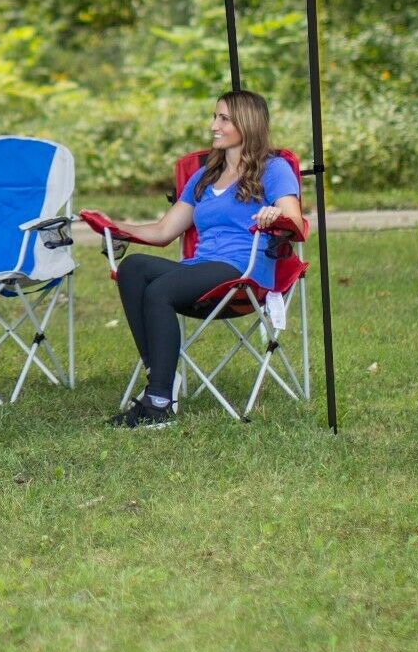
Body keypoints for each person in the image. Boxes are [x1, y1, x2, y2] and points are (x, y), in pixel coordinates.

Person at [97, 90, 302, 428]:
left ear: (246, 124)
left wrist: (273, 214)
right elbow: (164, 231)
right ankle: (161, 379)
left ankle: (158, 404)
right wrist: (114, 226)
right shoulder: (206, 175)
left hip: (242, 271)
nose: (213, 126)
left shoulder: (274, 169)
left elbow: (294, 221)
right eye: (214, 117)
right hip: (200, 269)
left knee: (159, 289)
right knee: (133, 268)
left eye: (223, 119)